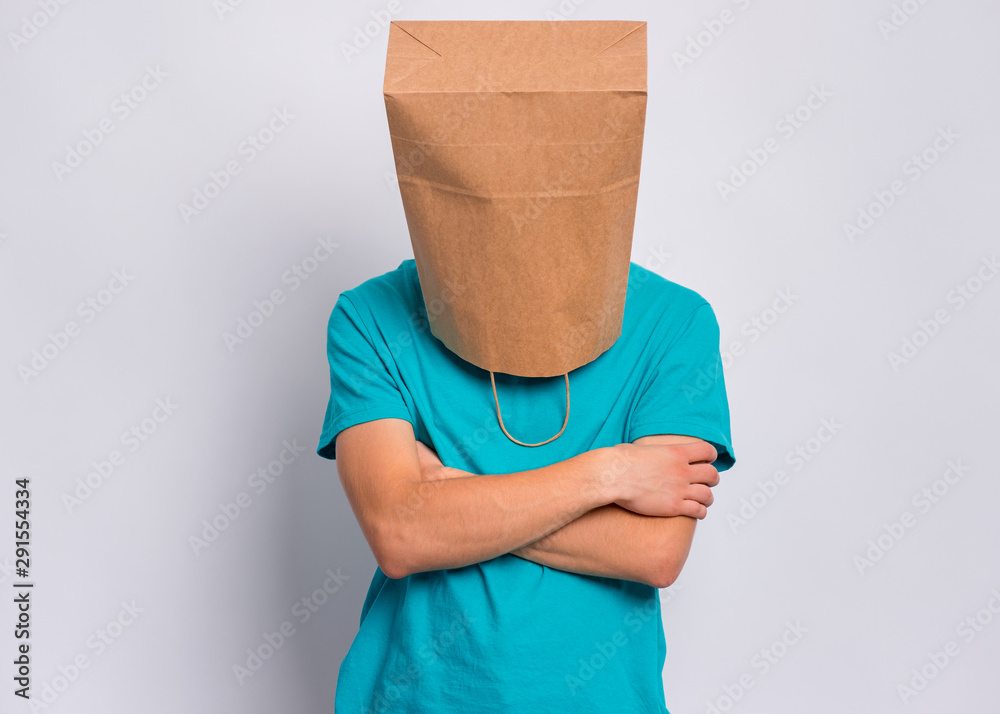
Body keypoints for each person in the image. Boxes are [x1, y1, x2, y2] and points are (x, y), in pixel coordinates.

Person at [316, 255, 735, 713]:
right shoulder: (372, 314)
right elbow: (399, 535)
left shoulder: (674, 319)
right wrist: (609, 473)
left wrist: (448, 495)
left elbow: (655, 553)